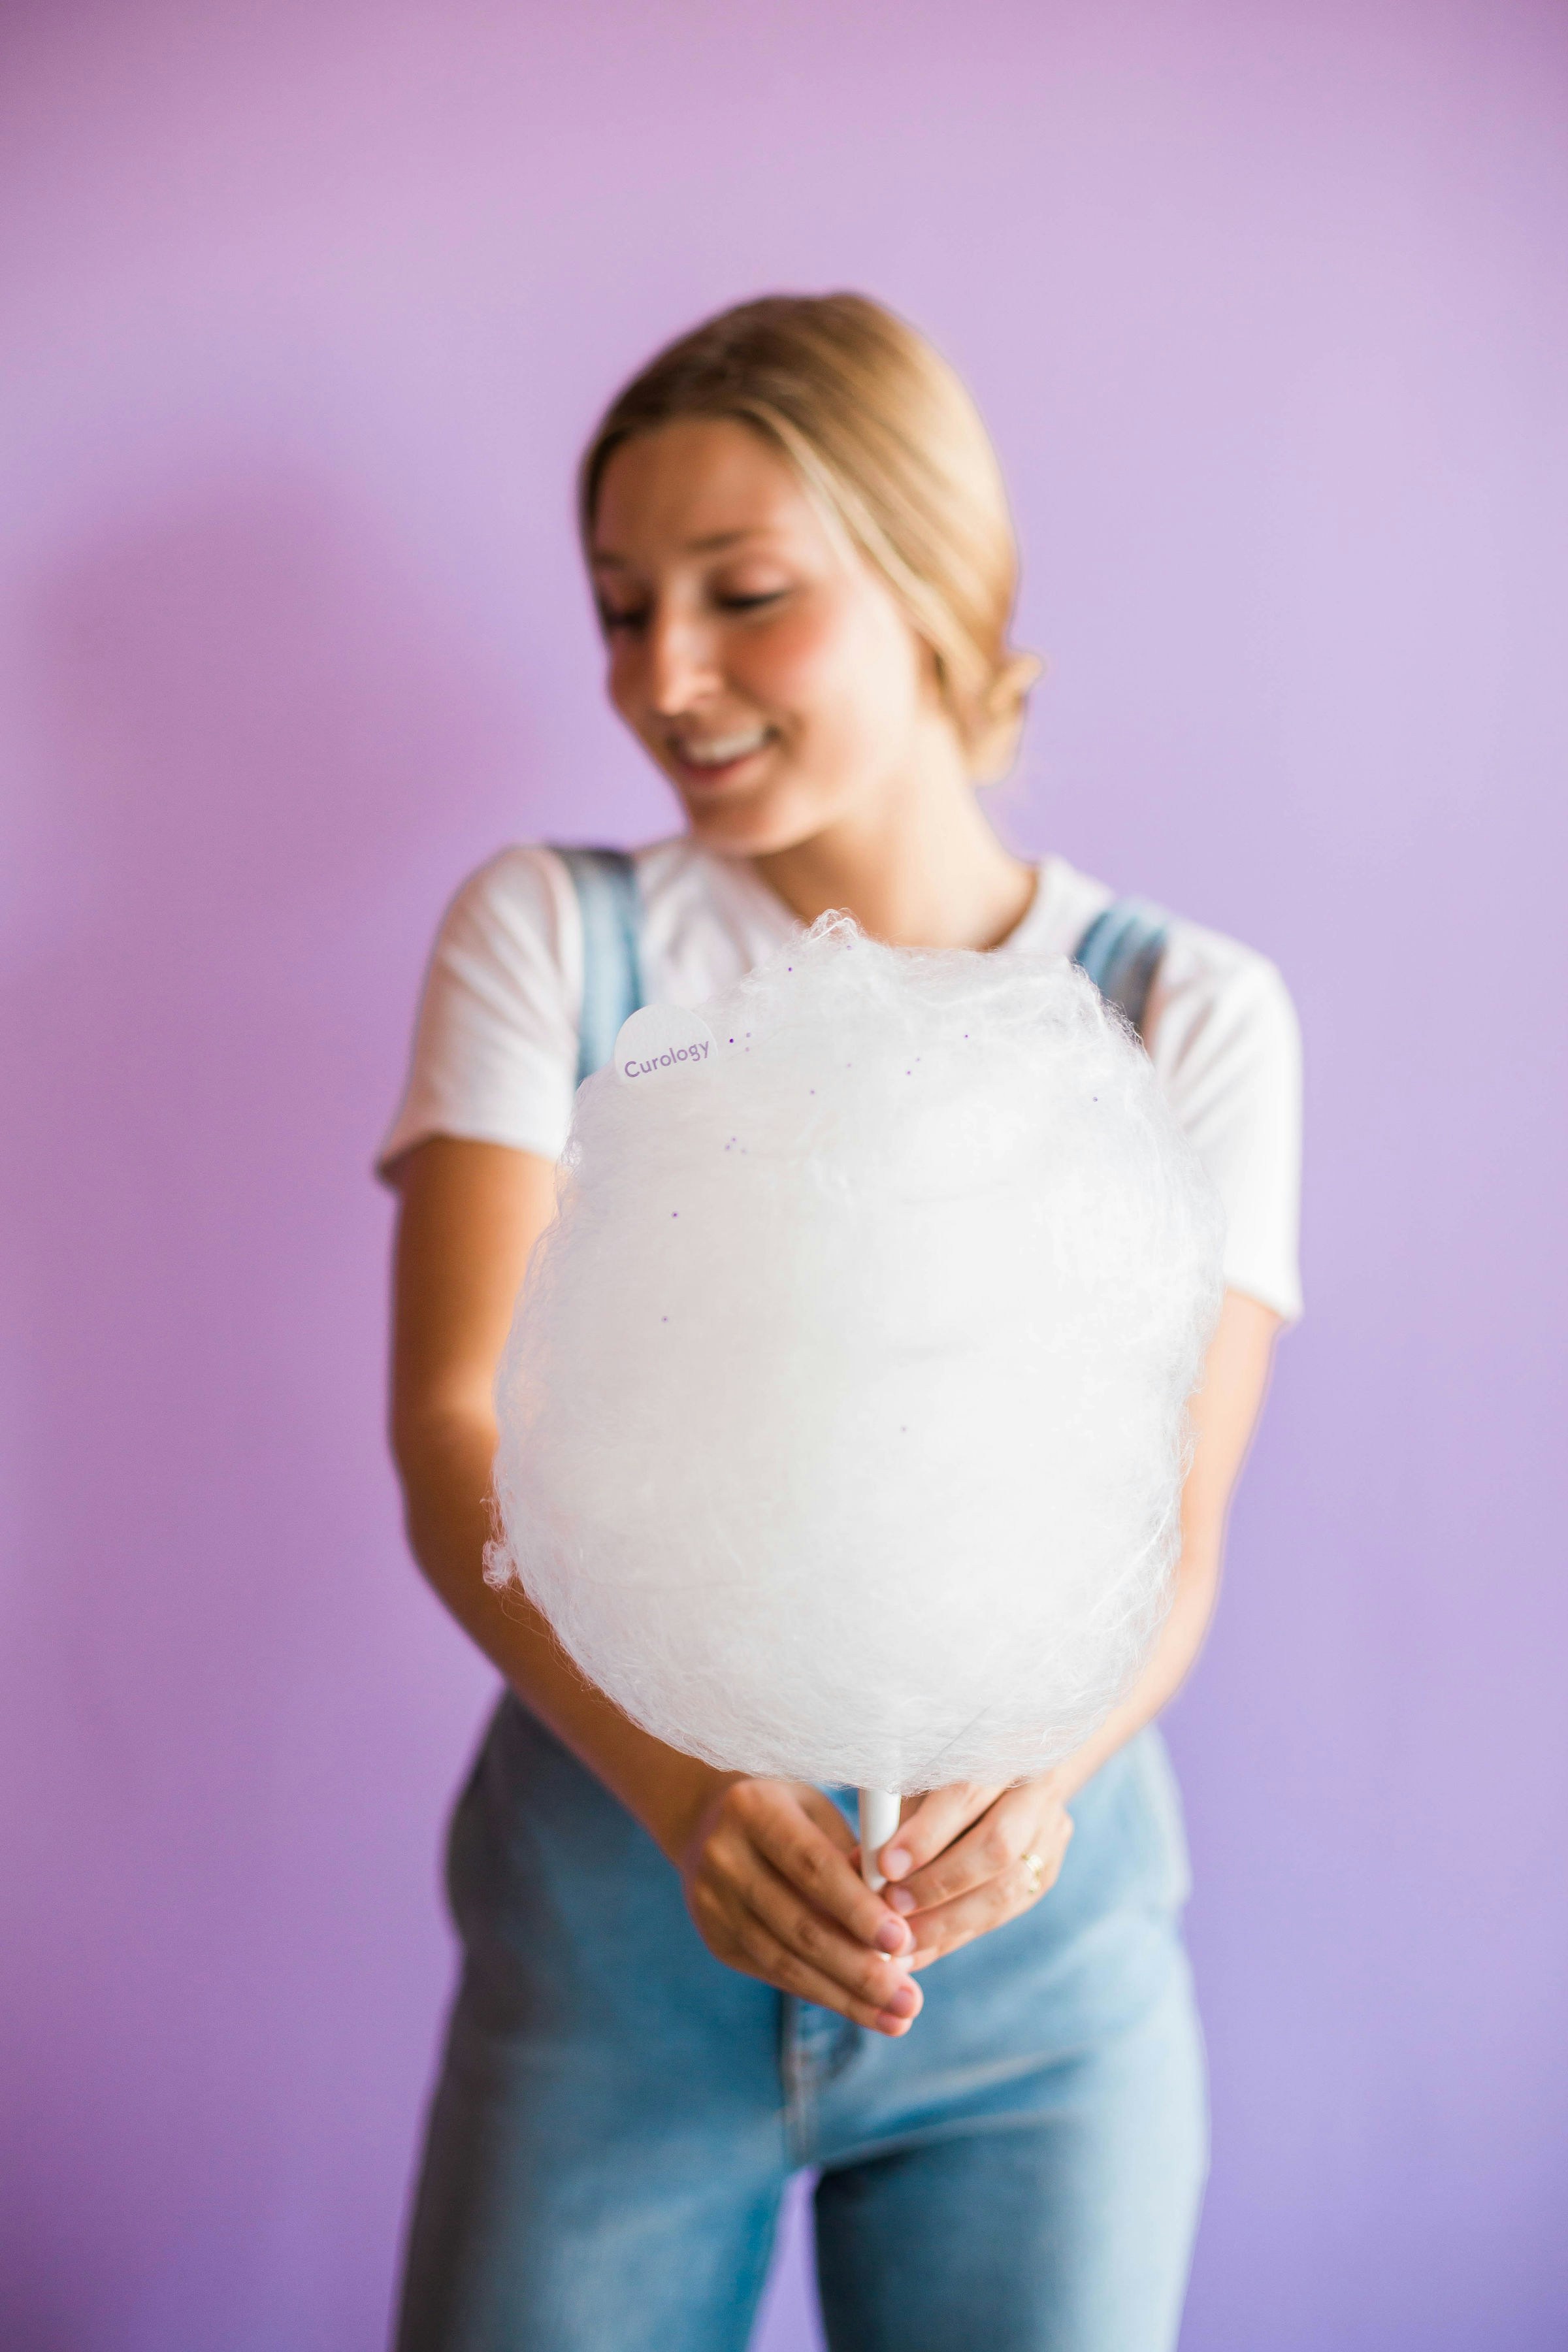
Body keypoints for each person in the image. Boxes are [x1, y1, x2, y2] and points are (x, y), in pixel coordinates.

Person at [380, 293, 1302, 2352]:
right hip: (606, 1959)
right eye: (622, 608)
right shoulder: (555, 930)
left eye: (745, 595)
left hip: (1033, 2008)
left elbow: (1178, 1527)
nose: (664, 678)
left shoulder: (1186, 1011)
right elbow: (458, 1439)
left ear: (933, 584)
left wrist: (1029, 1789)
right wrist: (693, 1795)